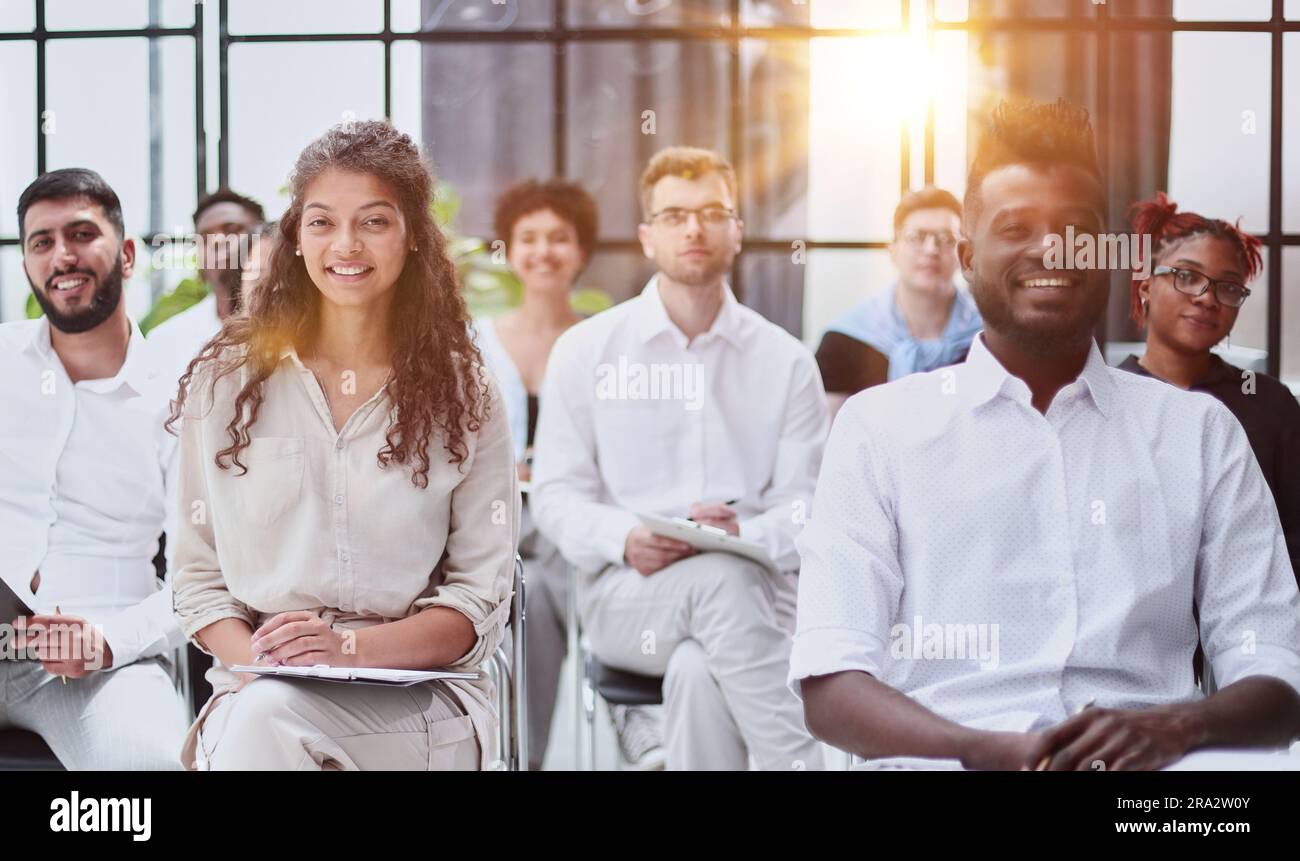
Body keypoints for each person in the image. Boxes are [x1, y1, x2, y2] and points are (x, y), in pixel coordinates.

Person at [790, 99, 1300, 771]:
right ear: (969, 256)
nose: (1048, 248)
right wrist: (984, 749)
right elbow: (831, 682)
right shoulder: (879, 429)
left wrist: (1172, 728)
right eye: (1016, 227)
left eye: (1075, 229)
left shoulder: (1201, 433)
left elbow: (1275, 674)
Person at [169, 120, 520, 771]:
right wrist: (269, 660)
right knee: (266, 718)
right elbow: (196, 578)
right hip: (260, 685)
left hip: (417, 702)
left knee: (263, 729)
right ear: (296, 237)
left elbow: (476, 601)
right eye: (323, 221)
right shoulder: (226, 383)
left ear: (412, 235)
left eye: (374, 221)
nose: (346, 244)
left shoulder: (465, 391)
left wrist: (344, 650)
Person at [531, 146, 827, 771]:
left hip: (758, 602)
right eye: (674, 216)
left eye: (713, 212)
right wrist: (627, 535)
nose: (695, 228)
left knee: (699, 666)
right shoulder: (587, 352)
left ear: (737, 231)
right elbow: (556, 496)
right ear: (646, 237)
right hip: (628, 595)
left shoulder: (786, 361)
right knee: (723, 584)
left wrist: (743, 533)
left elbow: (809, 509)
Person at [0, 168, 189, 769]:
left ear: (127, 254)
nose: (62, 256)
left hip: (103, 662)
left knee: (147, 774)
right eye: (42, 242)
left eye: (81, 234)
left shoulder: (180, 399)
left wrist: (108, 643)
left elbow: (204, 583)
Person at [471, 178, 607, 769]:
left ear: (581, 252)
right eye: (528, 238)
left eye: (559, 238)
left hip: (568, 527)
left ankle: (521, 755)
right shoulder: (473, 341)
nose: (543, 251)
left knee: (539, 590)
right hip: (488, 519)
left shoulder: (604, 342)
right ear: (509, 249)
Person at [1119, 193, 1300, 584]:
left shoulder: (1271, 405)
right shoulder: (1105, 400)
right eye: (1186, 276)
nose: (1207, 298)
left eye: (1229, 287)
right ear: (1146, 283)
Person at [815, 186, 981, 417]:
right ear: (892, 250)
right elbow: (830, 441)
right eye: (916, 237)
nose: (930, 249)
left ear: (964, 254)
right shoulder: (844, 340)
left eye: (946, 239)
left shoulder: (988, 338)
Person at [146, 189, 266, 388]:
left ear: (264, 239)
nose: (217, 241)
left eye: (232, 229)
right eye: (205, 236)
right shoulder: (165, 342)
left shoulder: (302, 330)